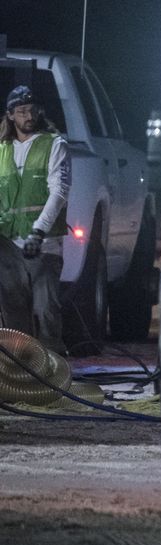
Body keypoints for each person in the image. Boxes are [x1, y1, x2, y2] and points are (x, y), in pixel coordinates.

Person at [0, 86, 72, 351]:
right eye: (21, 112)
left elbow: (60, 191)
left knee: (46, 311)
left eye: (31, 110)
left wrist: (38, 231)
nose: (28, 116)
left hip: (43, 245)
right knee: (13, 317)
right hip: (8, 245)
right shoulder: (2, 149)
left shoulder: (54, 145)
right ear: (10, 116)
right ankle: (23, 378)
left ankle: (52, 377)